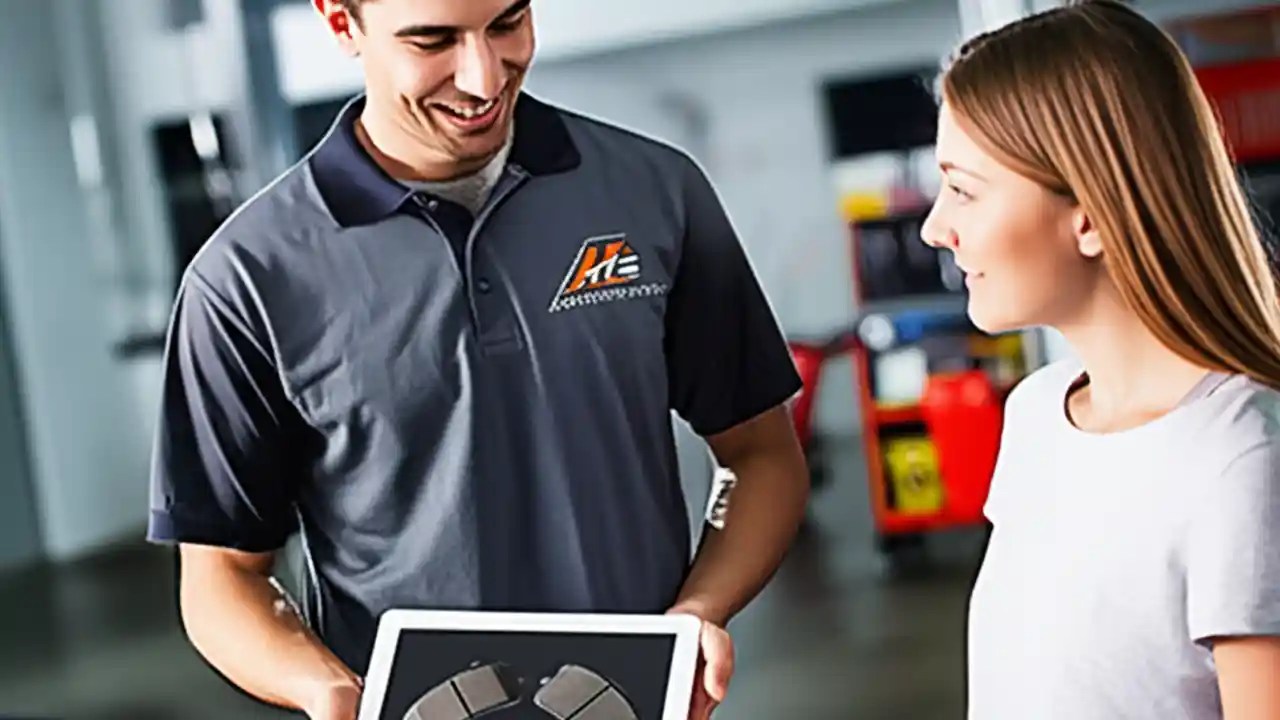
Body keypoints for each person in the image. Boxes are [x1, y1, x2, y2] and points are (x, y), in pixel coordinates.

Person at [144, 1, 811, 718]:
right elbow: (222, 574)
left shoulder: (654, 193)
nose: (484, 76)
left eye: (507, 23)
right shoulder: (246, 279)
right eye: (433, 41)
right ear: (341, 24)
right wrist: (322, 688)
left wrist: (699, 610)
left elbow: (759, 455)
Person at [919, 1, 1280, 717]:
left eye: (963, 190)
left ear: (1089, 215)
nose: (936, 227)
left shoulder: (1241, 457)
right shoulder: (1034, 416)